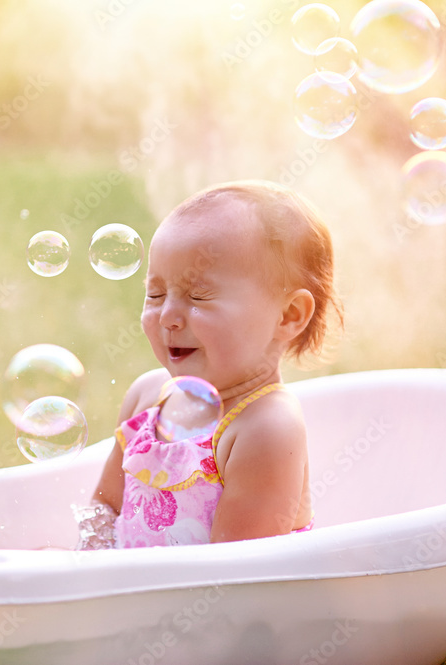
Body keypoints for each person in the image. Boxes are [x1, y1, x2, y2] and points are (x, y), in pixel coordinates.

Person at [78, 180, 342, 549]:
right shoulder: (147, 397)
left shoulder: (264, 428)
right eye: (155, 294)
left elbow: (228, 581)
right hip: (132, 593)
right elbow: (104, 509)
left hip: (205, 604)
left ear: (287, 316)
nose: (168, 316)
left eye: (198, 296)